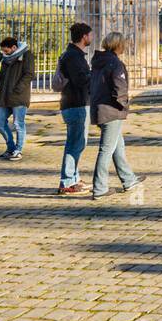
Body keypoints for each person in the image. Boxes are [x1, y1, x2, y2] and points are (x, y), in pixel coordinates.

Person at [89, 31, 143, 199]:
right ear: (118, 45)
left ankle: (129, 179)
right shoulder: (115, 64)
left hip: (99, 108)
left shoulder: (98, 61)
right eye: (124, 43)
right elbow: (120, 89)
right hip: (112, 111)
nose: (125, 46)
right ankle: (99, 188)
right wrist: (125, 105)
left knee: (118, 147)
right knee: (106, 149)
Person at [56, 22, 94, 196]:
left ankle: (74, 178)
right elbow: (80, 81)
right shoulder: (74, 57)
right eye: (90, 35)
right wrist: (94, 75)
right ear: (84, 36)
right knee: (75, 144)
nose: (92, 38)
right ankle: (68, 182)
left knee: (77, 143)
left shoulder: (73, 54)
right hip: (75, 104)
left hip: (75, 103)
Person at [0, 36, 35, 161]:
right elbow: (5, 75)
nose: (4, 53)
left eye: (6, 51)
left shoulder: (27, 55)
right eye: (3, 51)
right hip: (4, 96)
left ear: (14, 47)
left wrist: (18, 89)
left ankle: (18, 150)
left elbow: (29, 74)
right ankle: (11, 148)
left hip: (19, 96)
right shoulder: (5, 58)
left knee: (18, 124)